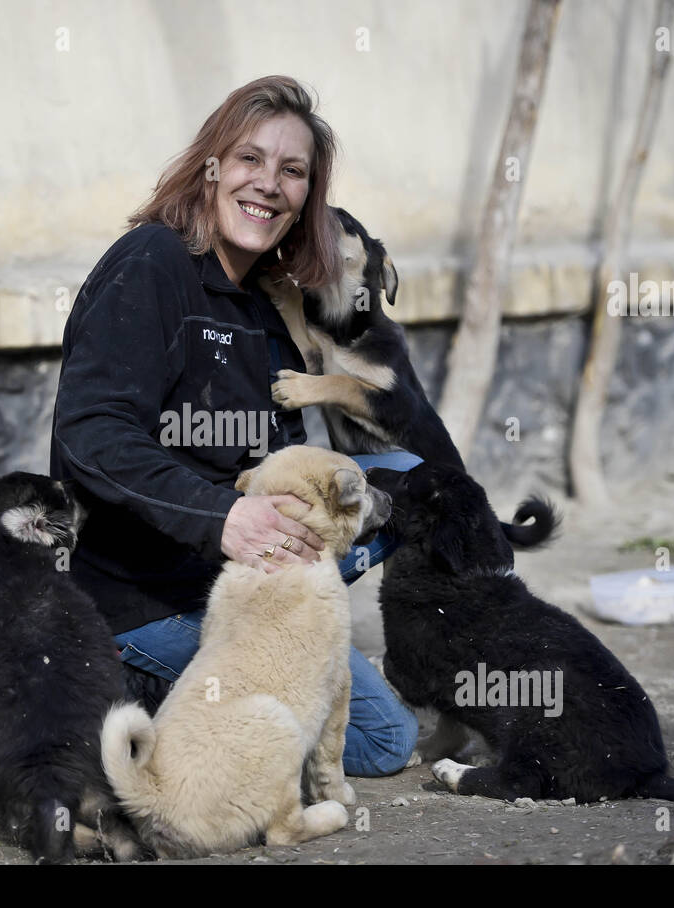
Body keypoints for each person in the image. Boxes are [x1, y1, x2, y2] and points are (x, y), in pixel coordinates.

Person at [50, 75, 424, 776]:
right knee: (382, 743)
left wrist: (277, 518)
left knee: (415, 485)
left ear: (309, 198)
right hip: (141, 593)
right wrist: (223, 515)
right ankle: (142, 689)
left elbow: (282, 458)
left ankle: (291, 642)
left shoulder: (261, 308)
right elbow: (91, 433)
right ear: (212, 167)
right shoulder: (152, 264)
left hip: (240, 572)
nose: (269, 184)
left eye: (292, 171)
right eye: (250, 159)